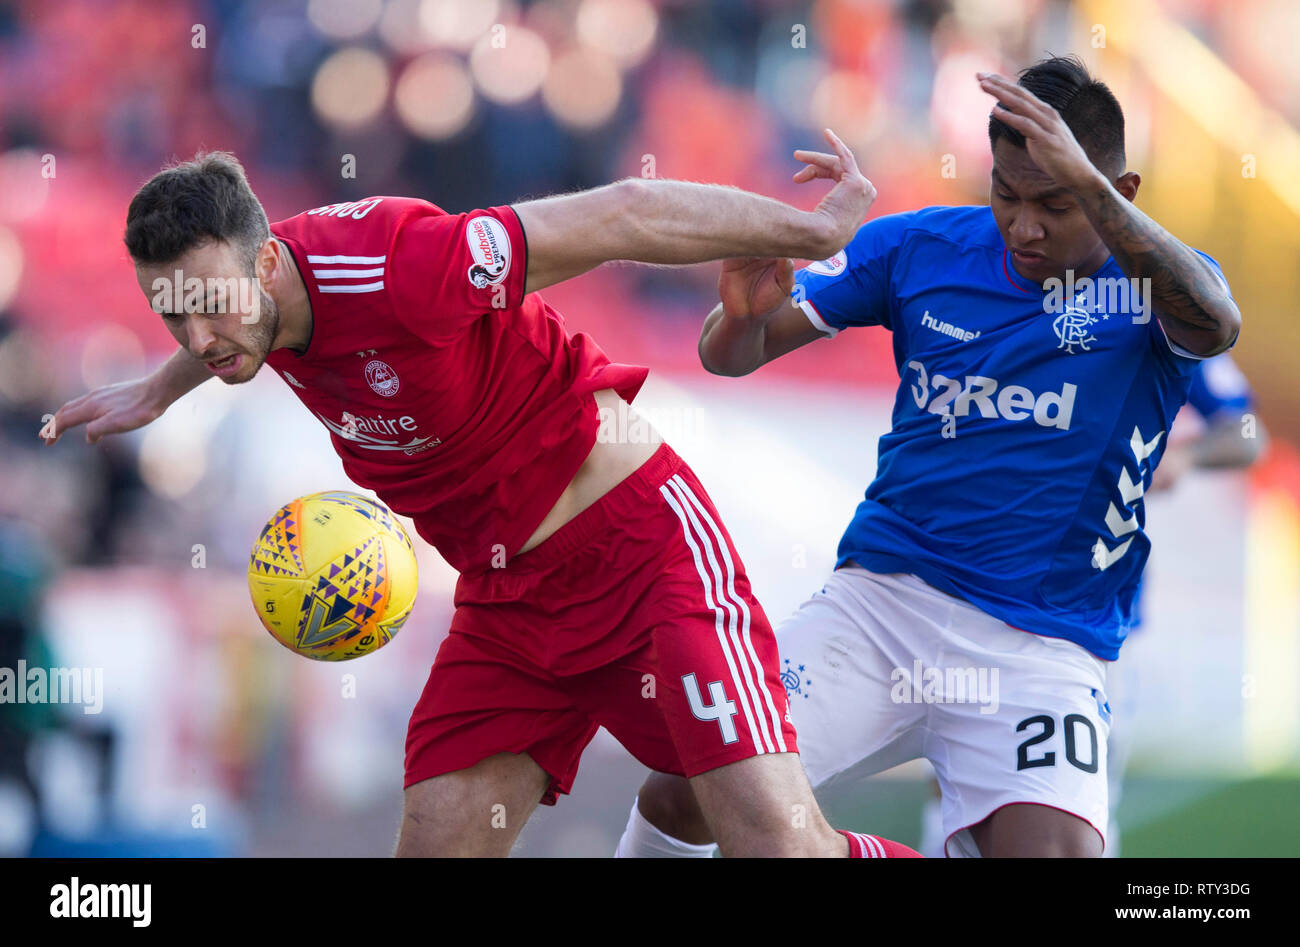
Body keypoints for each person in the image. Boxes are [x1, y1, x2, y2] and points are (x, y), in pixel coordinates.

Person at [41, 138, 920, 858]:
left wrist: (812, 234)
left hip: (639, 552)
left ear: (268, 261)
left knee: (779, 847)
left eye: (212, 307)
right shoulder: (240, 310)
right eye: (173, 316)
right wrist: (158, 390)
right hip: (507, 607)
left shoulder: (403, 267)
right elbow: (216, 325)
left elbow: (622, 211)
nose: (199, 336)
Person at [616, 56, 1241, 858]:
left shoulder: (1156, 289)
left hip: (1040, 646)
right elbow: (733, 353)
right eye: (1007, 196)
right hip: (881, 609)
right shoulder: (918, 247)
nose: (1024, 226)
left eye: (1055, 203)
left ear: (1118, 195)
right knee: (689, 787)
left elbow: (1216, 325)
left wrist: (1086, 189)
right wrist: (739, 318)